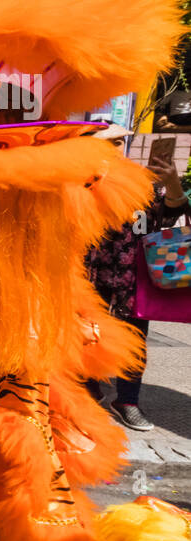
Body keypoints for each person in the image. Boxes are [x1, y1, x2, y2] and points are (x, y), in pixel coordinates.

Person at [85, 126, 191, 430]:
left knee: (134, 339)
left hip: (134, 274)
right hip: (90, 271)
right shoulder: (81, 181)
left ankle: (127, 400)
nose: (116, 148)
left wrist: (172, 183)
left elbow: (168, 214)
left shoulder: (141, 180)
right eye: (107, 143)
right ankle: (90, 387)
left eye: (119, 141)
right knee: (89, 333)